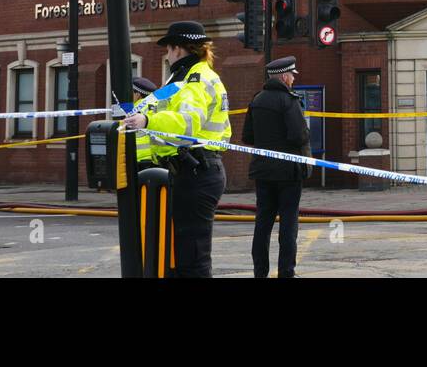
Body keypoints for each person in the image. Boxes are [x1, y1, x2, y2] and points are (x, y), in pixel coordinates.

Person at [121, 20, 231, 278]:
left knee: (192, 257)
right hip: (186, 171)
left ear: (179, 50)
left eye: (168, 49)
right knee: (178, 253)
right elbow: (152, 104)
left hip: (198, 171)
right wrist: (127, 112)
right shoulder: (180, 79)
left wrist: (147, 121)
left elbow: (186, 124)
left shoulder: (196, 79)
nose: (167, 55)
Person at [244, 55, 311, 279]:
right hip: (288, 173)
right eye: (292, 75)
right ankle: (286, 273)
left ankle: (259, 273)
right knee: (288, 225)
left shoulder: (257, 100)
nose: (293, 79)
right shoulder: (288, 101)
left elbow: (247, 136)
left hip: (263, 171)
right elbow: (299, 135)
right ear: (284, 77)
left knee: (262, 224)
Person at [131, 76, 160, 168]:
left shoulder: (135, 110)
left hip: (138, 159)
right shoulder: (158, 105)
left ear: (137, 94)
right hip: (155, 158)